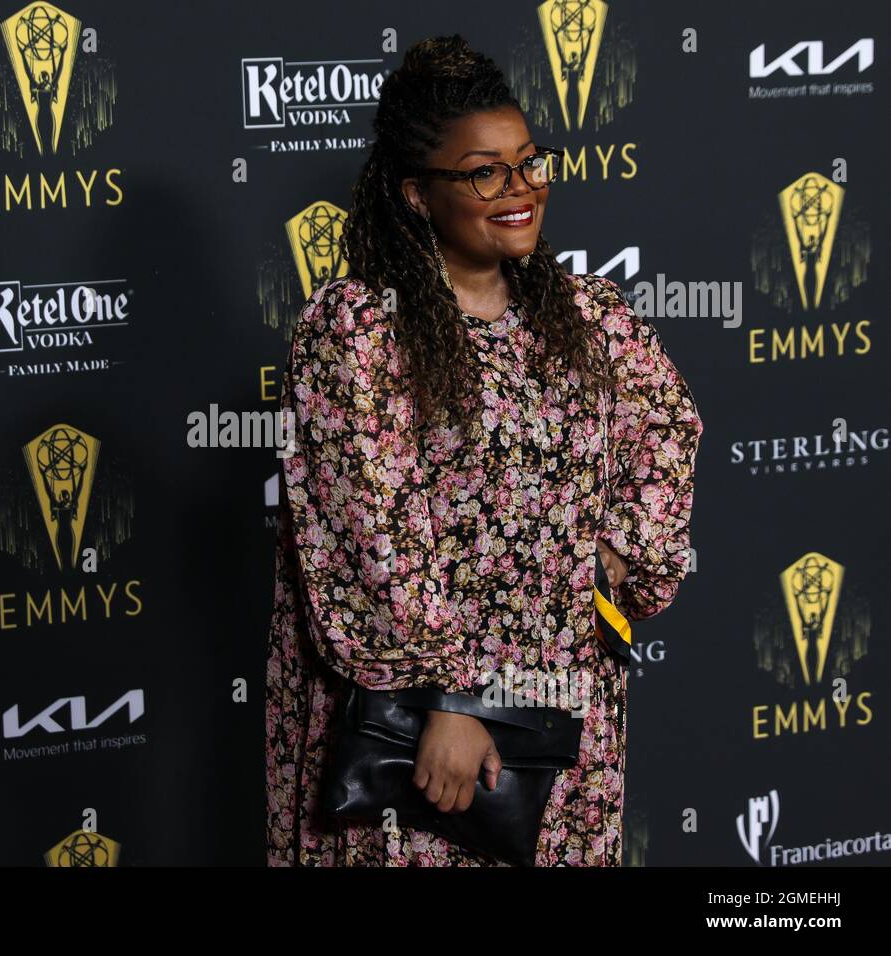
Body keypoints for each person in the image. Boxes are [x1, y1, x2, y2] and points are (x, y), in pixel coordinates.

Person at [265, 34, 703, 866]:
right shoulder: (360, 327)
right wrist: (448, 700)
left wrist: (618, 549)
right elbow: (371, 523)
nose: (521, 189)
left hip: (561, 699)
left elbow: (669, 426)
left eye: (530, 162)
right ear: (417, 194)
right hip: (420, 721)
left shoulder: (585, 310)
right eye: (485, 172)